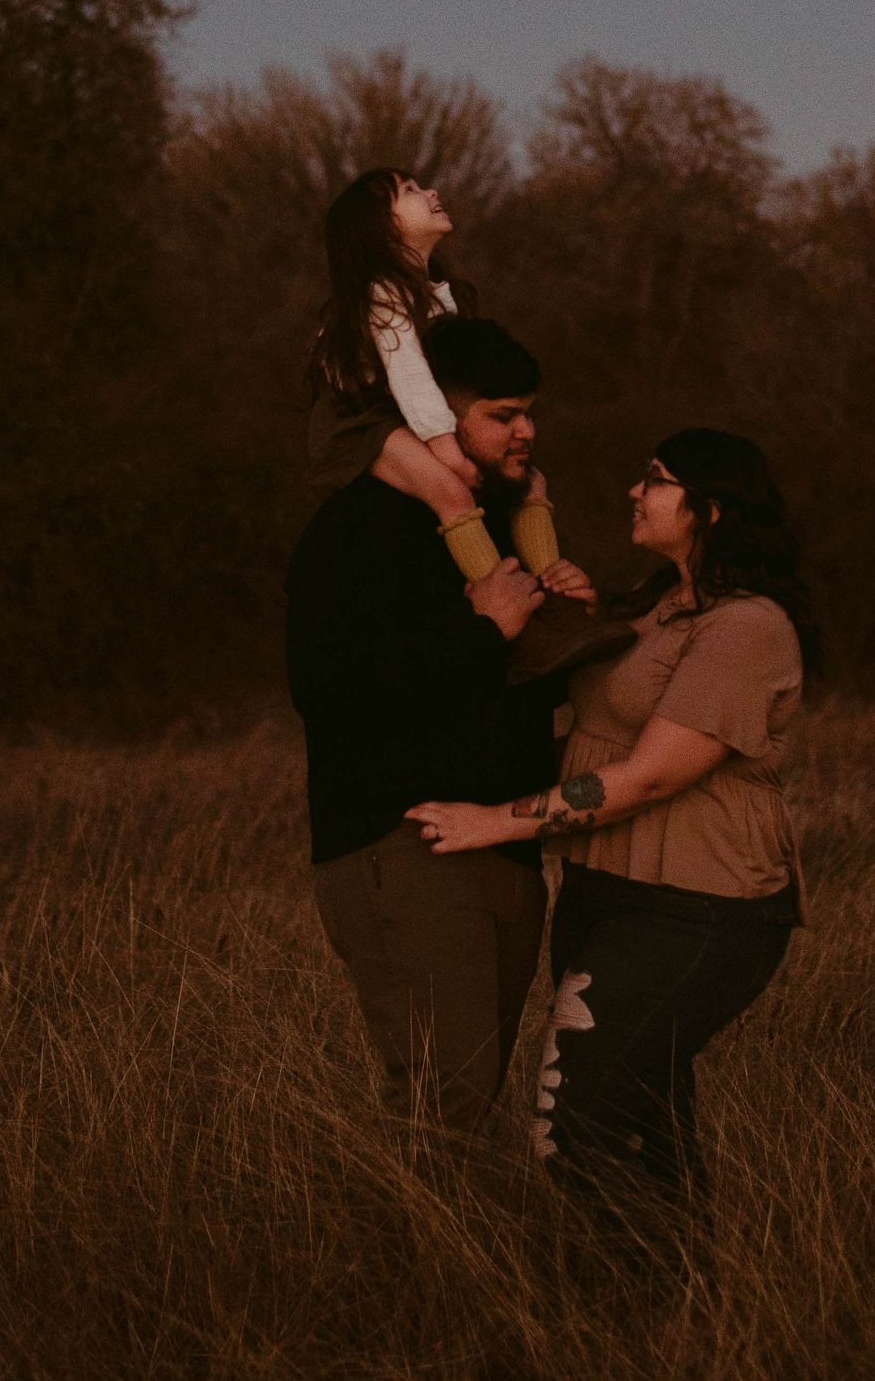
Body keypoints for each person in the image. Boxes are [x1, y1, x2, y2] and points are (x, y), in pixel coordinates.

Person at [407, 428, 815, 1214]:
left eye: (657, 479)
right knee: (646, 1122)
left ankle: (628, 1275)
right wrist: (564, 609)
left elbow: (652, 774)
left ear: (711, 509)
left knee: (575, 1125)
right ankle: (678, 1285)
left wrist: (495, 821)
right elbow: (585, 715)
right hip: (606, 891)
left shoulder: (746, 628)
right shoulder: (658, 607)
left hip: (698, 910)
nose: (635, 491)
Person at [286, 315, 609, 1136]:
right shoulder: (356, 528)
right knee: (443, 1102)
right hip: (406, 845)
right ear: (436, 416)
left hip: (505, 847)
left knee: (471, 1099)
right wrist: (484, 629)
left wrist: (565, 622)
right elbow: (331, 694)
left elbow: (509, 691)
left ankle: (439, 1223)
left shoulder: (495, 530)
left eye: (530, 412)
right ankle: (398, 1228)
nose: (527, 431)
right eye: (504, 415)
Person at [307, 168, 562, 586]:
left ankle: (554, 589)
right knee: (450, 491)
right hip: (360, 420)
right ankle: (501, 593)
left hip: (415, 417)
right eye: (409, 191)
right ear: (381, 228)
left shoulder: (440, 294)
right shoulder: (381, 294)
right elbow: (412, 381)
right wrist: (451, 454)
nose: (431, 192)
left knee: (532, 482)